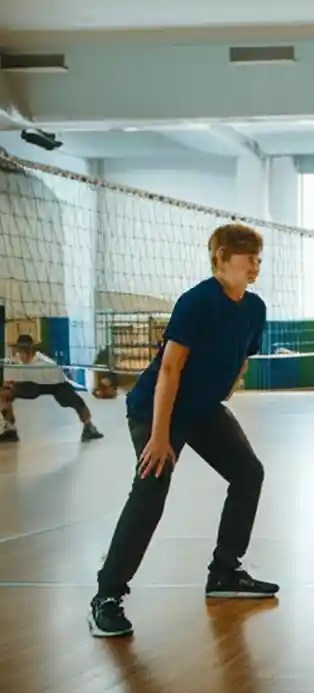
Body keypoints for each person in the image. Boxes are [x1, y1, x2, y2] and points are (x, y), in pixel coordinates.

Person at [88, 223, 278, 638]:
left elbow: (242, 356)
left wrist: (223, 390)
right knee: (152, 487)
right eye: (249, 259)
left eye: (258, 259)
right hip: (156, 410)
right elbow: (170, 369)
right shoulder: (196, 303)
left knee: (248, 473)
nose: (255, 266)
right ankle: (106, 596)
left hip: (202, 409)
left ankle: (225, 572)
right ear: (223, 258)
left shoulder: (254, 307)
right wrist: (159, 437)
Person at [1, 334, 103, 442]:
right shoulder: (12, 363)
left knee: (73, 400)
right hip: (30, 386)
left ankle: (89, 426)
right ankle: (10, 429)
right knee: (4, 394)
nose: (23, 353)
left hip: (55, 385)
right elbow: (8, 383)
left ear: (31, 349)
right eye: (21, 349)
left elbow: (61, 381)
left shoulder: (46, 363)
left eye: (26, 349)